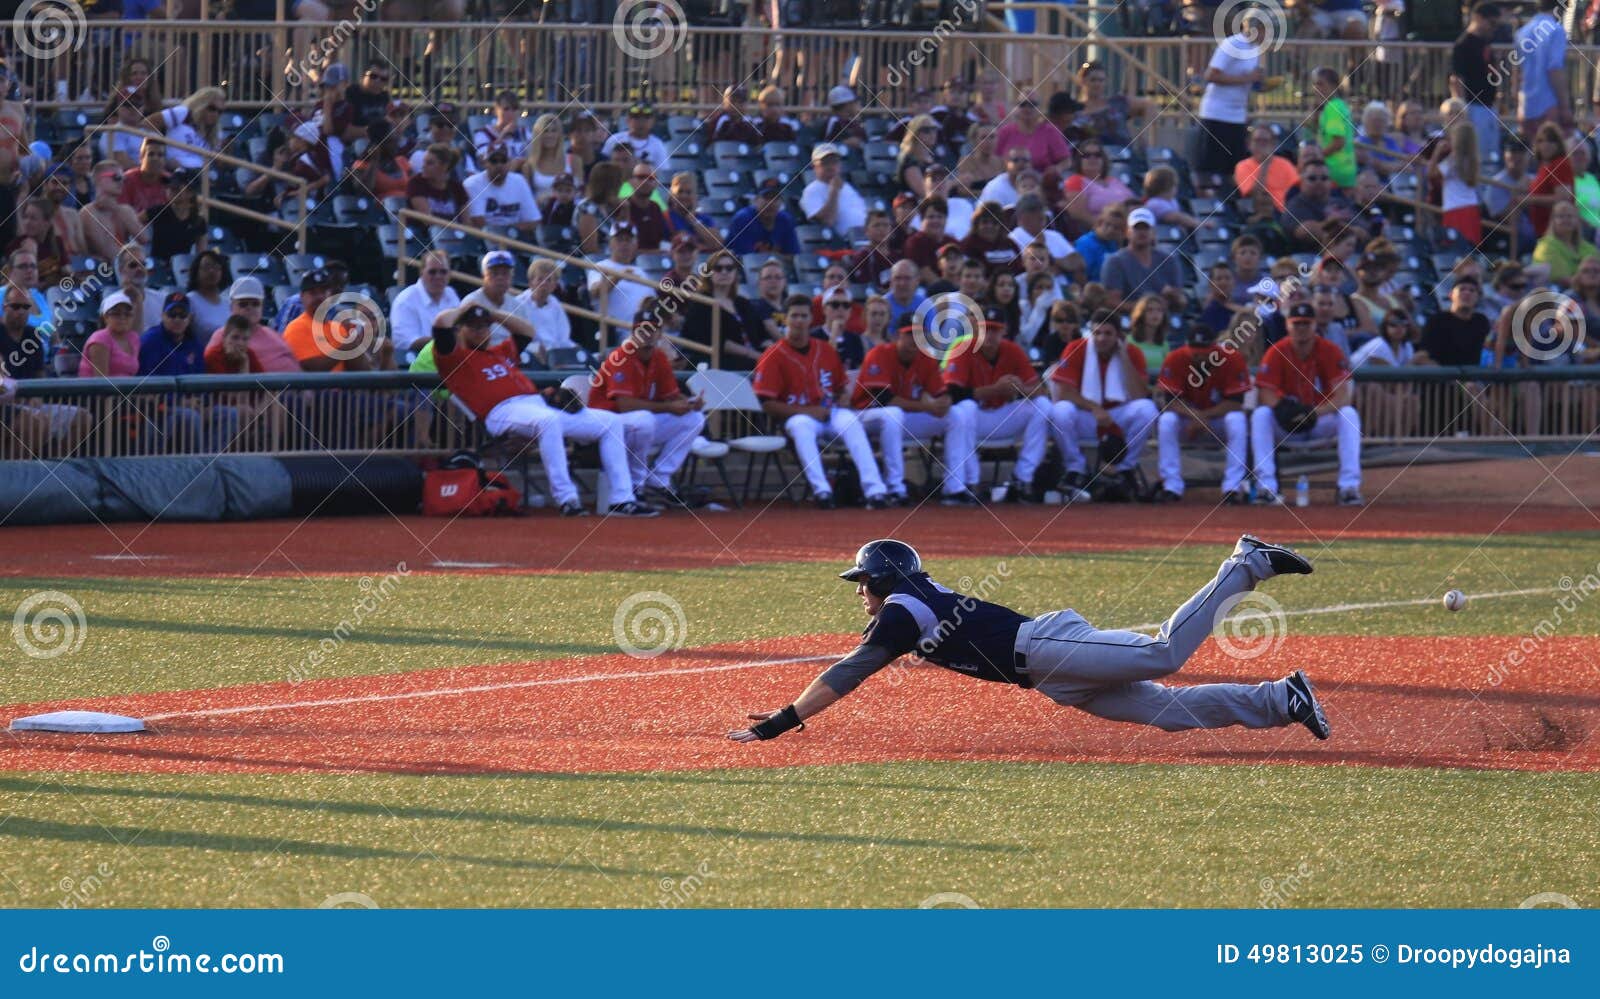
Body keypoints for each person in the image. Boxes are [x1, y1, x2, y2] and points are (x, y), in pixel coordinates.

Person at [726, 536, 1330, 743]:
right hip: (1046, 676)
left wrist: (780, 722)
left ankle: (1246, 563)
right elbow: (862, 650)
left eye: (864, 582)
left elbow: (850, 671)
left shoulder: (904, 608)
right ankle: (1282, 700)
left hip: (1045, 647)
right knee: (1170, 713)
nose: (860, 591)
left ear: (884, 578)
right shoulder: (909, 603)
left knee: (1162, 654)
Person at [429, 303, 658, 518]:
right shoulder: (454, 358)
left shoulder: (499, 352)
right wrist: (464, 310)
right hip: (501, 413)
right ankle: (567, 499)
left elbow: (527, 330)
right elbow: (441, 323)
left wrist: (492, 313)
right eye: (474, 327)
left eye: (484, 327)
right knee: (548, 422)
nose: (480, 331)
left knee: (610, 422)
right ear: (460, 330)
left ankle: (622, 499)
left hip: (536, 405)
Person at [754, 295, 889, 510]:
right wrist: (809, 411)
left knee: (851, 422)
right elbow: (767, 404)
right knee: (801, 427)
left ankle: (875, 490)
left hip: (829, 413)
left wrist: (844, 398)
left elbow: (840, 388)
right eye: (794, 316)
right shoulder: (772, 355)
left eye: (803, 316)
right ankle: (822, 491)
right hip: (796, 417)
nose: (799, 320)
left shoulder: (825, 349)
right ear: (785, 320)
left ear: (811, 320)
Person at [1251, 303, 1364, 507]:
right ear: (1287, 325)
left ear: (1314, 326)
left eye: (1306, 323)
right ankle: (1266, 487)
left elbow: (1343, 397)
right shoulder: (1277, 351)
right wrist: (1285, 410)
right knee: (1261, 415)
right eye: (1297, 324)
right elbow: (1265, 393)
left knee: (1349, 414)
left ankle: (1349, 487)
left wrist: (1312, 413)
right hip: (1288, 425)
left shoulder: (1330, 350)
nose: (1301, 328)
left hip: (1320, 422)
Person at [588, 314, 706, 509]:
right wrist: (670, 407)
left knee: (694, 418)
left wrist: (689, 403)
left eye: (652, 330)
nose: (648, 335)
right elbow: (624, 405)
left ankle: (659, 480)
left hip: (635, 422)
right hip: (606, 422)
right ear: (633, 333)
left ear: (660, 334)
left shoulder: (658, 357)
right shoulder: (621, 356)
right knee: (644, 420)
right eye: (642, 331)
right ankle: (636, 485)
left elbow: (671, 396)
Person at [851, 321, 972, 505]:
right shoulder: (879, 354)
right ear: (896, 337)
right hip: (866, 417)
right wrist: (928, 407)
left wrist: (945, 401)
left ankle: (954, 489)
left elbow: (940, 391)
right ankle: (895, 488)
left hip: (903, 417)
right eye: (910, 334)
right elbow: (884, 401)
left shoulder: (926, 358)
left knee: (956, 415)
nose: (915, 340)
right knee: (892, 413)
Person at [942, 311, 1058, 502]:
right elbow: (953, 394)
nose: (989, 335)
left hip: (1003, 417)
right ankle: (971, 480)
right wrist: (995, 390)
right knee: (965, 409)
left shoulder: (1012, 350)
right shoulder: (962, 347)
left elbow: (1040, 390)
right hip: (974, 419)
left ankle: (1022, 477)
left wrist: (1020, 388)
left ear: (1004, 331)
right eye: (985, 329)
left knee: (1043, 406)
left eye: (994, 330)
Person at [1048, 308, 1159, 498]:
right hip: (1087, 415)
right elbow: (1063, 393)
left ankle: (1125, 468)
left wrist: (1123, 356)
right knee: (1060, 411)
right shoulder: (1076, 347)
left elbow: (1140, 395)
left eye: (1108, 333)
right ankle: (1075, 468)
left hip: (1117, 415)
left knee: (1148, 410)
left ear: (1118, 335)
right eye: (1097, 333)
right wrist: (1095, 408)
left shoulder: (1132, 352)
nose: (1102, 338)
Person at [1153, 323, 1251, 504]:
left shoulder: (1231, 358)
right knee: (1167, 420)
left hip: (1217, 423)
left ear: (1214, 347)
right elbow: (1169, 402)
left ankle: (1232, 487)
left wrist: (1204, 416)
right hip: (1188, 423)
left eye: (1204, 351)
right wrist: (1197, 417)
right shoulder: (1176, 358)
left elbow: (1236, 403)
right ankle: (1171, 486)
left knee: (1237, 420)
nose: (1199, 356)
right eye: (1195, 351)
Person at [1195, 8, 1265, 179]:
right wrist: (1246, 79)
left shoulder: (1254, 50)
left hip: (1237, 115)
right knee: (1212, 170)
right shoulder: (1232, 44)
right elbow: (1211, 75)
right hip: (1217, 115)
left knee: (1234, 170)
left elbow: (1249, 80)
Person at [681, 249, 767, 370]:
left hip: (751, 357)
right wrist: (755, 355)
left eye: (729, 268)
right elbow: (717, 342)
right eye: (718, 268)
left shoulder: (743, 303)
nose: (724, 272)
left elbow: (761, 335)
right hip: (718, 361)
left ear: (735, 273)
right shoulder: (701, 304)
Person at [201, 277, 301, 373]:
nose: (250, 308)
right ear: (232, 307)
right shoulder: (223, 336)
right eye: (243, 304)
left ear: (262, 307)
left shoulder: (272, 333)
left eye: (255, 304)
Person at [1100, 207, 1185, 312]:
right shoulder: (1115, 261)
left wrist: (1173, 296)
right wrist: (1148, 309)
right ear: (1128, 232)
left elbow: (1180, 300)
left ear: (1153, 232)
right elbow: (1112, 302)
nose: (1142, 232)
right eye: (1137, 228)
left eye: (1146, 228)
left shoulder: (1169, 260)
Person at [1452, 3, 1503, 166]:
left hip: (1489, 106)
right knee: (1477, 155)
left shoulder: (1485, 43)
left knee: (1491, 156)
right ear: (1478, 18)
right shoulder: (1463, 45)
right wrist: (1461, 110)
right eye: (1492, 23)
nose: (1493, 28)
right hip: (1473, 107)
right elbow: (1456, 79)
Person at [587, 222, 653, 345]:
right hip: (619, 332)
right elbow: (595, 292)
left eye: (628, 240)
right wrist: (618, 276)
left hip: (647, 329)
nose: (624, 244)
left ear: (635, 244)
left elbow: (652, 302)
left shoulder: (641, 272)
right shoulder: (601, 266)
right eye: (619, 240)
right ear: (610, 243)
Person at [1515, 0, 1571, 137]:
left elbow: (1517, 71)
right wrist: (1564, 106)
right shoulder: (1556, 30)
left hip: (1526, 102)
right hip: (1548, 102)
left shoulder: (1522, 32)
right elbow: (1554, 69)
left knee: (1530, 149)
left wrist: (1518, 100)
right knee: (1550, 150)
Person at [390, 249, 460, 354]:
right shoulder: (405, 300)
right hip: (419, 363)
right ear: (421, 272)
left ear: (449, 274)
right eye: (432, 272)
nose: (438, 276)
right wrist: (447, 341)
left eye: (443, 272)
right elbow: (406, 343)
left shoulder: (451, 293)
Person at [464, 146, 542, 230]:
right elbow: (478, 222)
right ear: (485, 163)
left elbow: (533, 220)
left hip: (515, 236)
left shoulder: (519, 181)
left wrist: (512, 231)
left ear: (510, 163)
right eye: (494, 161)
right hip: (484, 238)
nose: (499, 165)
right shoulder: (472, 183)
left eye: (503, 161)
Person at [993, 91, 1071, 174]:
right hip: (1009, 179)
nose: (1027, 108)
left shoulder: (1050, 131)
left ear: (1040, 109)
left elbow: (1066, 161)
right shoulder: (1005, 131)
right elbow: (993, 158)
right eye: (1023, 104)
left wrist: (1057, 168)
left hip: (1041, 181)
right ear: (1016, 108)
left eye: (1032, 104)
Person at [516, 259, 576, 363]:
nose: (544, 283)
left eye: (548, 280)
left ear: (554, 286)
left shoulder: (556, 305)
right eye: (540, 279)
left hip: (555, 356)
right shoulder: (518, 304)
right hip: (529, 355)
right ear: (531, 282)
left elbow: (563, 337)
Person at [800, 143, 866, 234]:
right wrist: (834, 191)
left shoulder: (847, 187)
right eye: (825, 162)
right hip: (842, 243)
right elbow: (827, 221)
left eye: (834, 162)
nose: (830, 166)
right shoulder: (811, 191)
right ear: (815, 166)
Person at [726, 177, 800, 255]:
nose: (770, 203)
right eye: (766, 197)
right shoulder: (743, 219)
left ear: (781, 202)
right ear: (756, 200)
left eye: (775, 198)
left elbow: (793, 255)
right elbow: (744, 257)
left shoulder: (785, 220)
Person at [1311, 67, 1357, 191]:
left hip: (1335, 170)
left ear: (1333, 86)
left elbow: (1338, 142)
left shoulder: (1333, 107)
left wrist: (1316, 158)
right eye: (1315, 84)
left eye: (1321, 84)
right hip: (1345, 170)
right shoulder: (1337, 105)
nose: (1316, 89)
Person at [1235, 126, 1299, 211]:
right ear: (1249, 144)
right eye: (1257, 140)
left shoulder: (1285, 164)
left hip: (1287, 211)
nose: (1261, 144)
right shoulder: (1243, 166)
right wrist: (1265, 163)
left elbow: (1298, 189)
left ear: (1273, 144)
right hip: (1260, 213)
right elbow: (1255, 194)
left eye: (1265, 141)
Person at [1532, 200, 1597, 285]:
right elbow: (1563, 280)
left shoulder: (1588, 247)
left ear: (1577, 220)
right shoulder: (1546, 246)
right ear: (1553, 221)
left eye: (1570, 216)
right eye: (1560, 216)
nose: (1566, 219)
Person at [79, 292, 141, 378]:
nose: (123, 317)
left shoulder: (133, 338)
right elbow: (102, 382)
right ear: (105, 317)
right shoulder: (99, 339)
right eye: (116, 314)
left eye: (127, 314)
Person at [601, 102, 670, 168]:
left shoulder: (657, 144)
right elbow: (603, 165)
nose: (641, 122)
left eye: (646, 118)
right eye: (636, 117)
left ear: (653, 121)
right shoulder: (615, 139)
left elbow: (662, 171)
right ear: (628, 120)